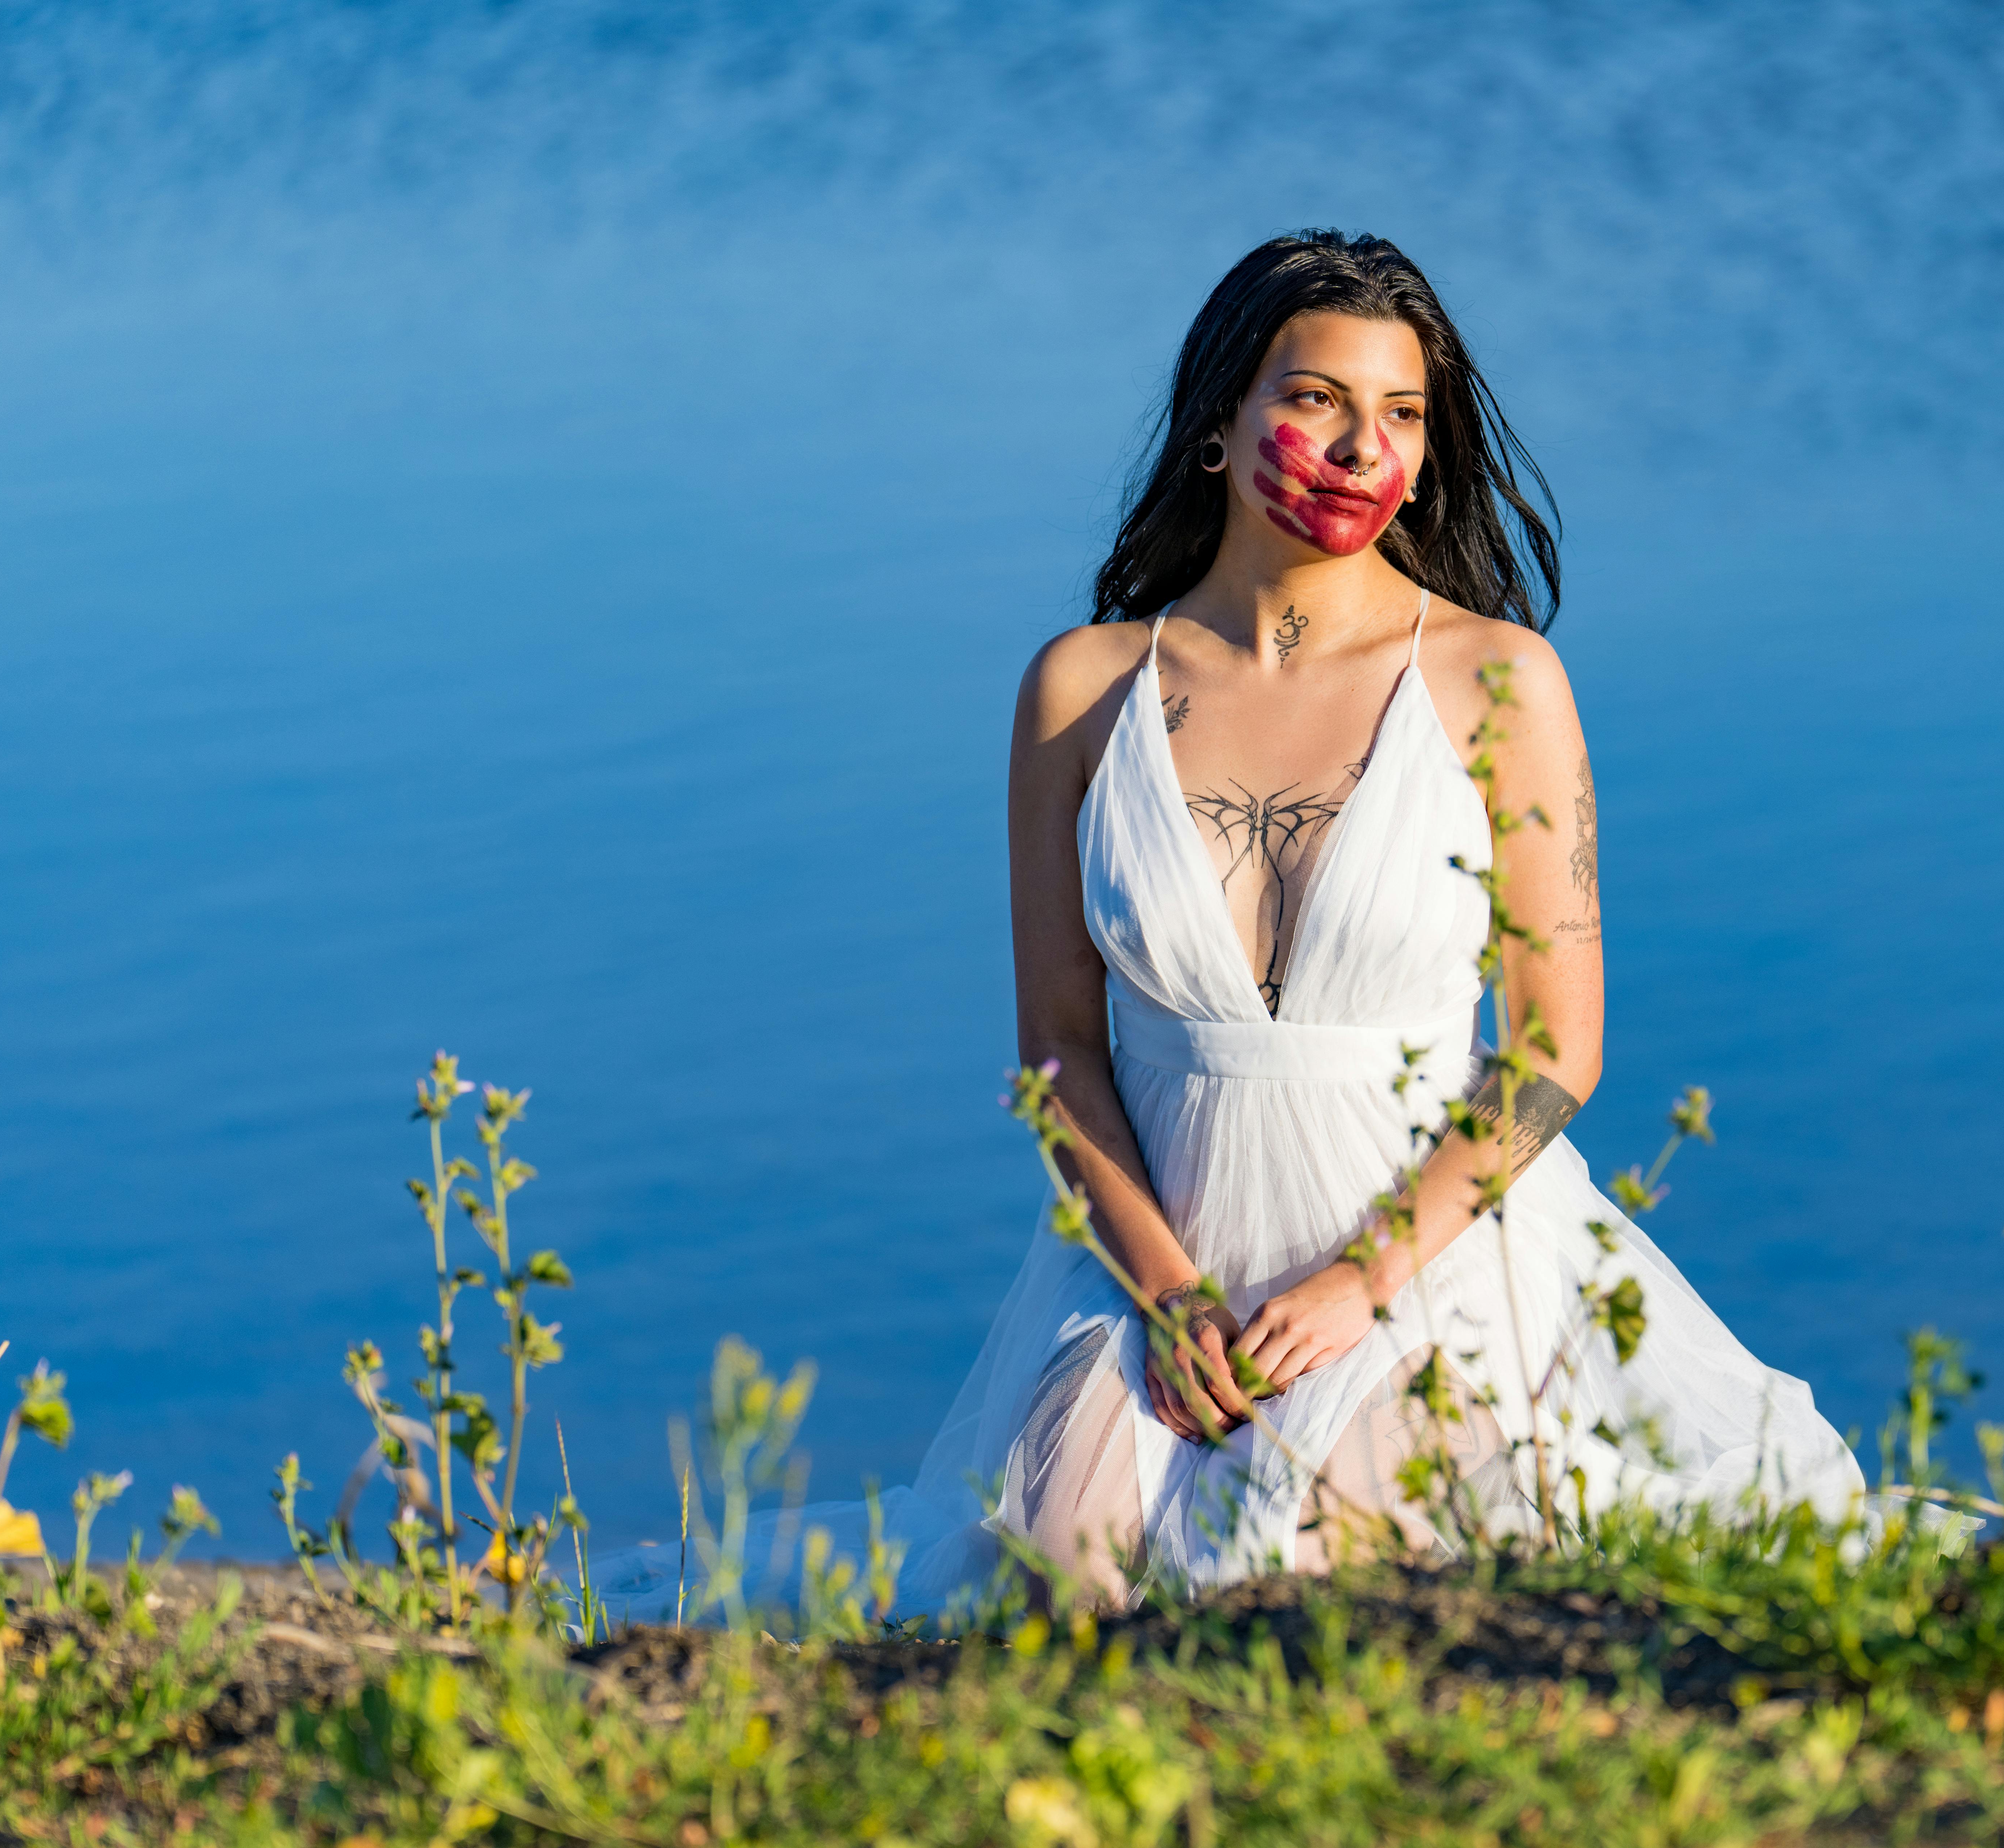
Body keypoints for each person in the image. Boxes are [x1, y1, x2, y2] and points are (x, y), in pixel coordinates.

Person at [601, 230, 1864, 1619]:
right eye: (1314, 398)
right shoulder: (1081, 691)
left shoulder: (1500, 681)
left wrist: (1357, 1288)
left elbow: (1558, 1053)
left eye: (1400, 416)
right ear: (1220, 421)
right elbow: (1055, 1055)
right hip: (1155, 1275)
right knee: (1055, 1598)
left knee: (1322, 1600)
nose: (1357, 451)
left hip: (1423, 1270)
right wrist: (1166, 1296)